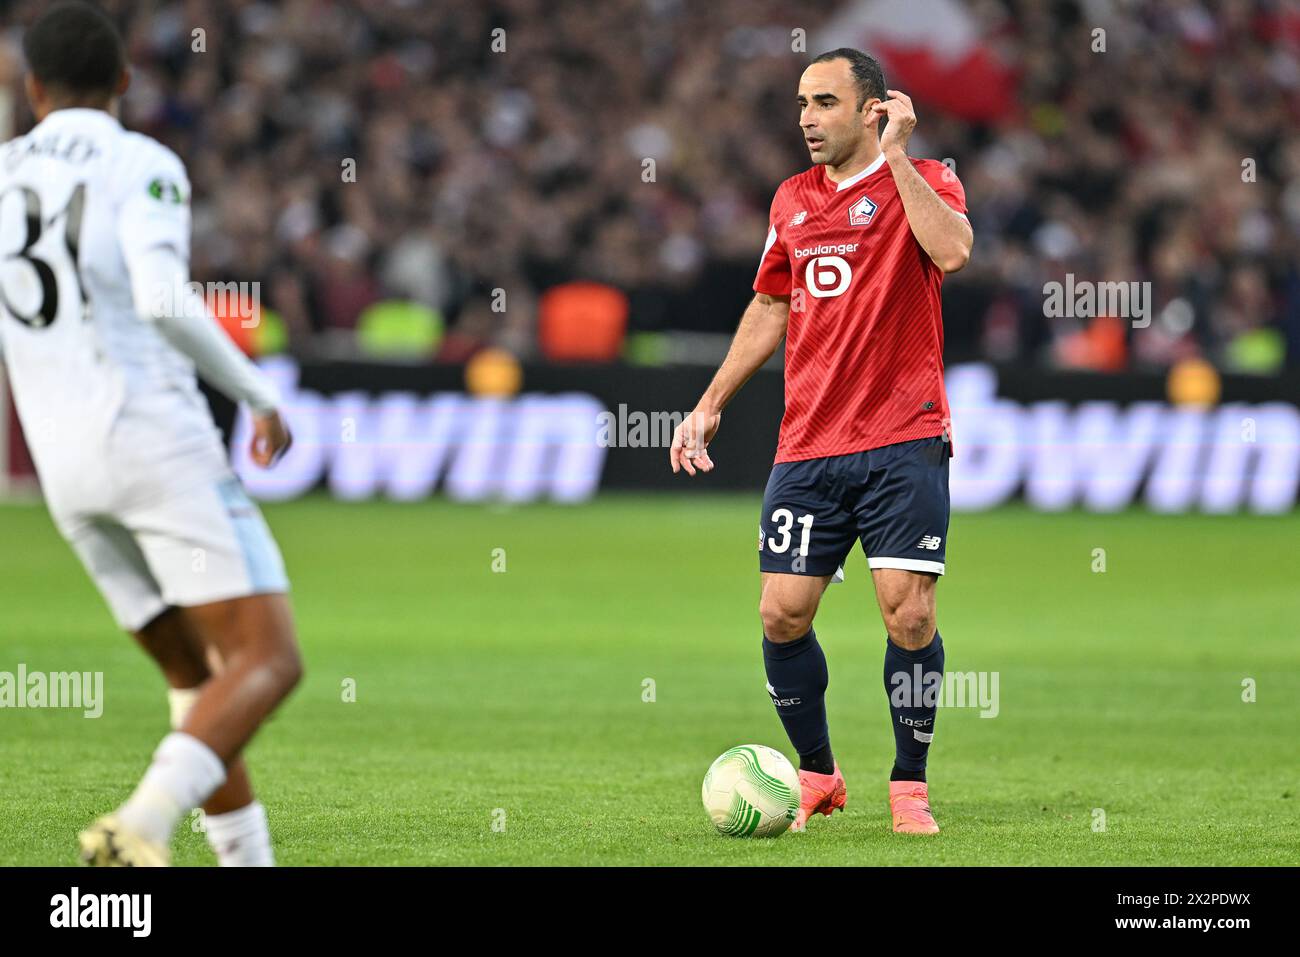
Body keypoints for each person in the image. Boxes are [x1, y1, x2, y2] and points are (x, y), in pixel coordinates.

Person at [0, 1, 302, 865]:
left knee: (195, 680)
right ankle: (141, 820)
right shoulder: (142, 163)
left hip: (63, 472)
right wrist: (256, 392)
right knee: (268, 661)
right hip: (149, 443)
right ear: (125, 81)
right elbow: (165, 298)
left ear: (31, 89)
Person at [670, 48, 972, 835]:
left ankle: (910, 784)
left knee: (908, 617)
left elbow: (953, 251)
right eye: (803, 102)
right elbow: (771, 304)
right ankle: (817, 774)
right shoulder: (791, 200)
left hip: (905, 437)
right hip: (808, 444)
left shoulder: (928, 178)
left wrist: (899, 157)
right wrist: (711, 400)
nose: (806, 117)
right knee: (781, 613)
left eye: (826, 102)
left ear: (874, 109)